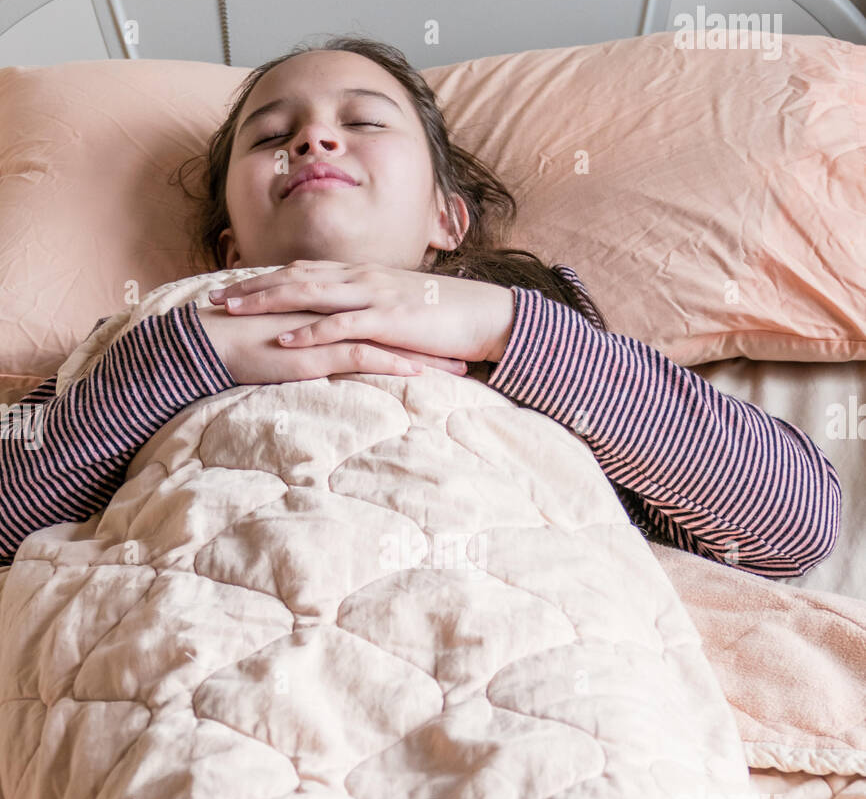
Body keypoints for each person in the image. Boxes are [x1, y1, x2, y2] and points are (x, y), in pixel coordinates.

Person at [0, 36, 840, 577]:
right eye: (270, 136)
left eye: (363, 122)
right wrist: (185, 360)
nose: (313, 140)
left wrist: (505, 328)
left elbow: (793, 522)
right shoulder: (153, 334)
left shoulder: (536, 326)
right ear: (229, 250)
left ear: (447, 217)